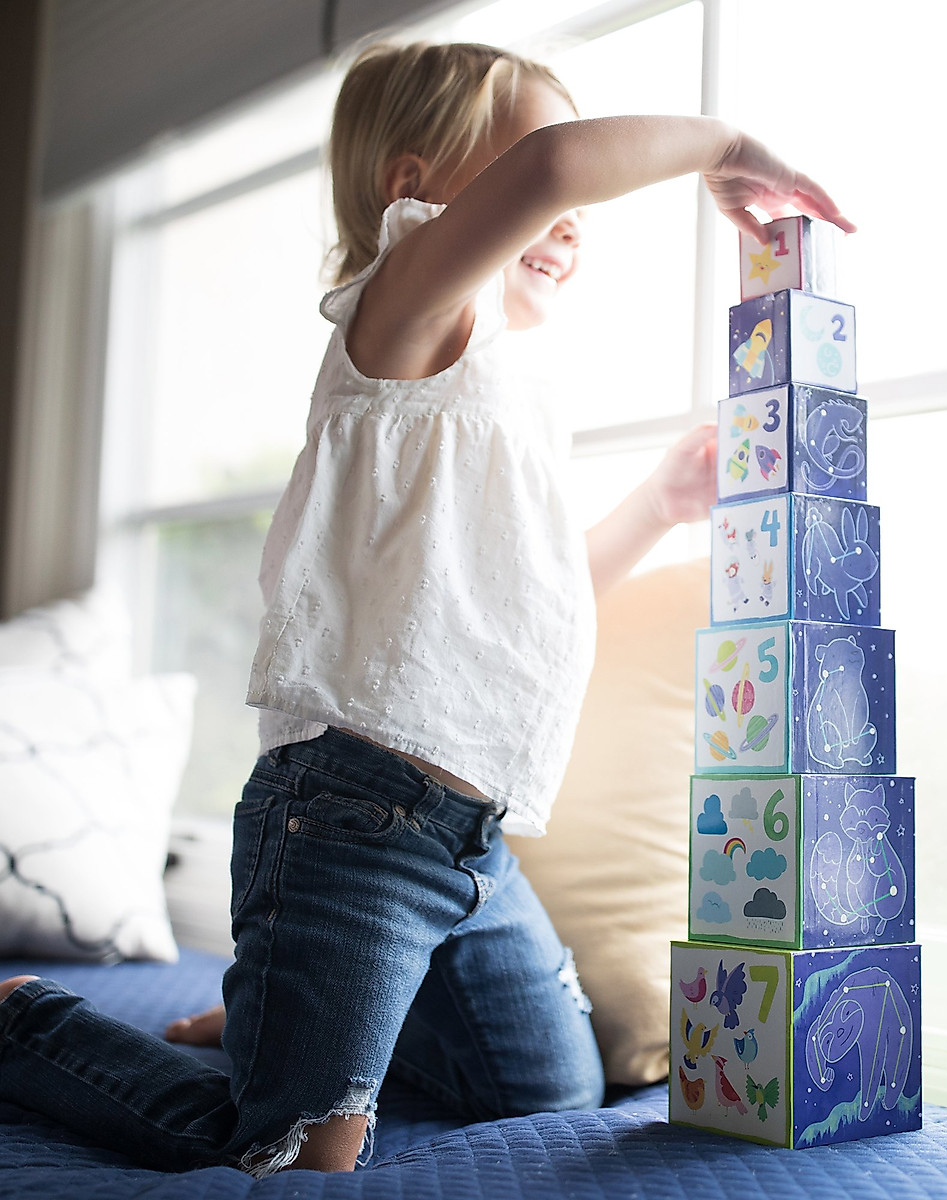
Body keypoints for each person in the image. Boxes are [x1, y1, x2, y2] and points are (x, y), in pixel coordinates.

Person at [0, 40, 853, 1176]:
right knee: (287, 1154)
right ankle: (29, 1022)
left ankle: (300, 1029)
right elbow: (554, 169)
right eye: (530, 165)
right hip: (349, 823)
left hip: (474, 843)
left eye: (570, 206)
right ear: (413, 192)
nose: (571, 218)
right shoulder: (402, 316)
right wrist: (725, 146)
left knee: (551, 1089)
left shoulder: (506, 393)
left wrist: (658, 504)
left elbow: (541, 603)